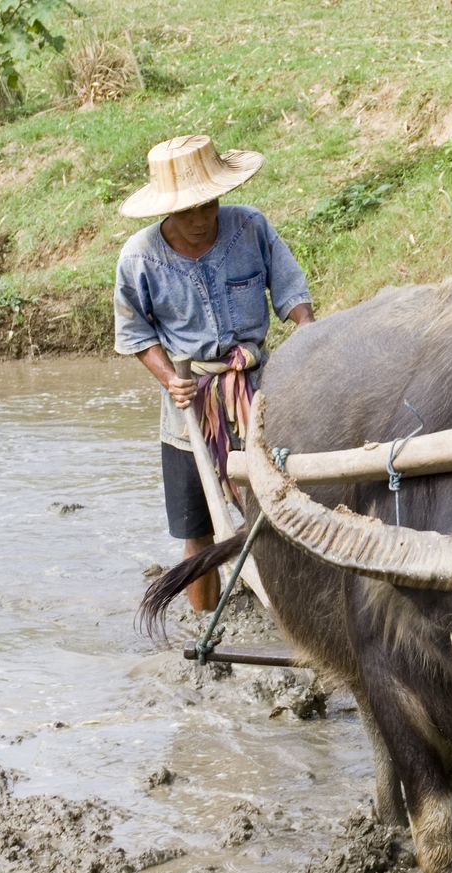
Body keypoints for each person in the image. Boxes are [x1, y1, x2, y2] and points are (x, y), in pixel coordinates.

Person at [113, 134, 314, 610]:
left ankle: (286, 606)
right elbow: (135, 332)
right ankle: (207, 620)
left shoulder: (249, 228)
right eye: (188, 212)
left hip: (258, 394)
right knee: (196, 529)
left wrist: (306, 328)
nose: (202, 220)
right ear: (168, 211)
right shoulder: (139, 258)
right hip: (189, 409)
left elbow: (289, 287)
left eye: (209, 205)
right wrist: (169, 377)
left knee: (278, 508)